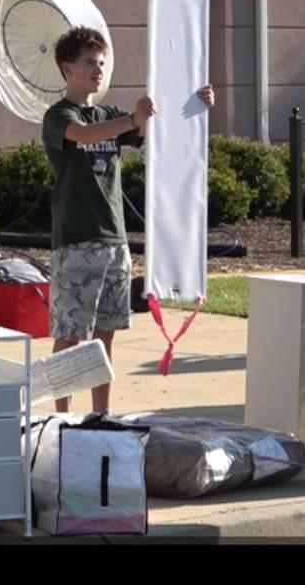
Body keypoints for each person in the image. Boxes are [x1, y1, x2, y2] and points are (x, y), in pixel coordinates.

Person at [41, 26, 214, 414]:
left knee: (105, 338)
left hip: (114, 241)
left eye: (102, 63)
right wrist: (132, 119)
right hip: (76, 241)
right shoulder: (59, 116)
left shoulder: (109, 113)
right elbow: (84, 135)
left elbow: (159, 124)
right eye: (89, 62)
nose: (98, 69)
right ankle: (62, 418)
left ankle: (101, 415)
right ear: (67, 68)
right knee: (71, 336)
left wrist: (196, 103)